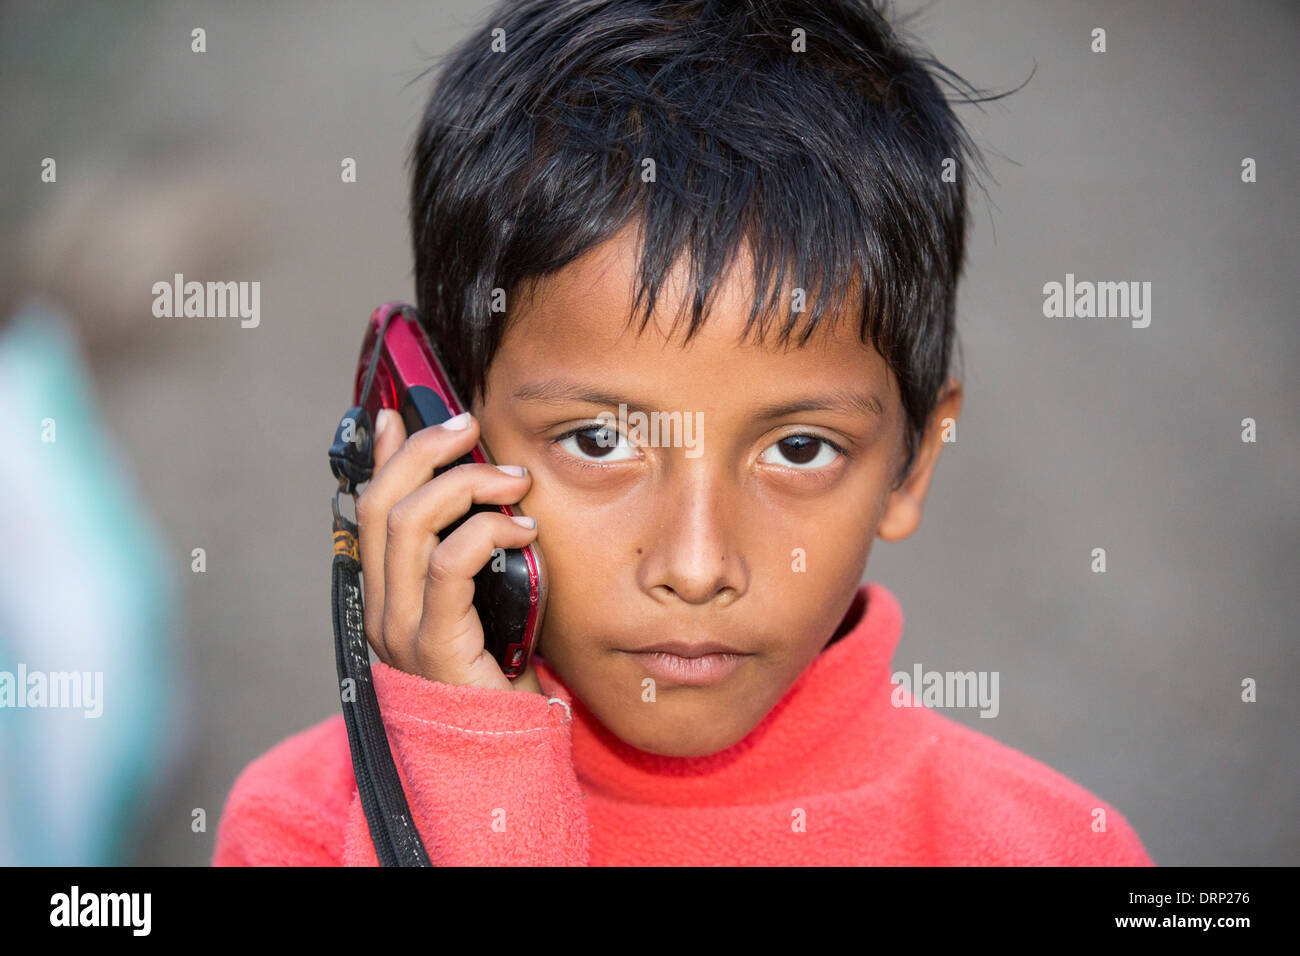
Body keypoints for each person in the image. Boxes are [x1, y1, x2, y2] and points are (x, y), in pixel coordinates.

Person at [213, 0, 1153, 865]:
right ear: (439, 438)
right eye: (597, 441)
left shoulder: (1059, 850)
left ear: (913, 461)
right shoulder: (297, 829)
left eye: (798, 449)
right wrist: (473, 797)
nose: (697, 566)